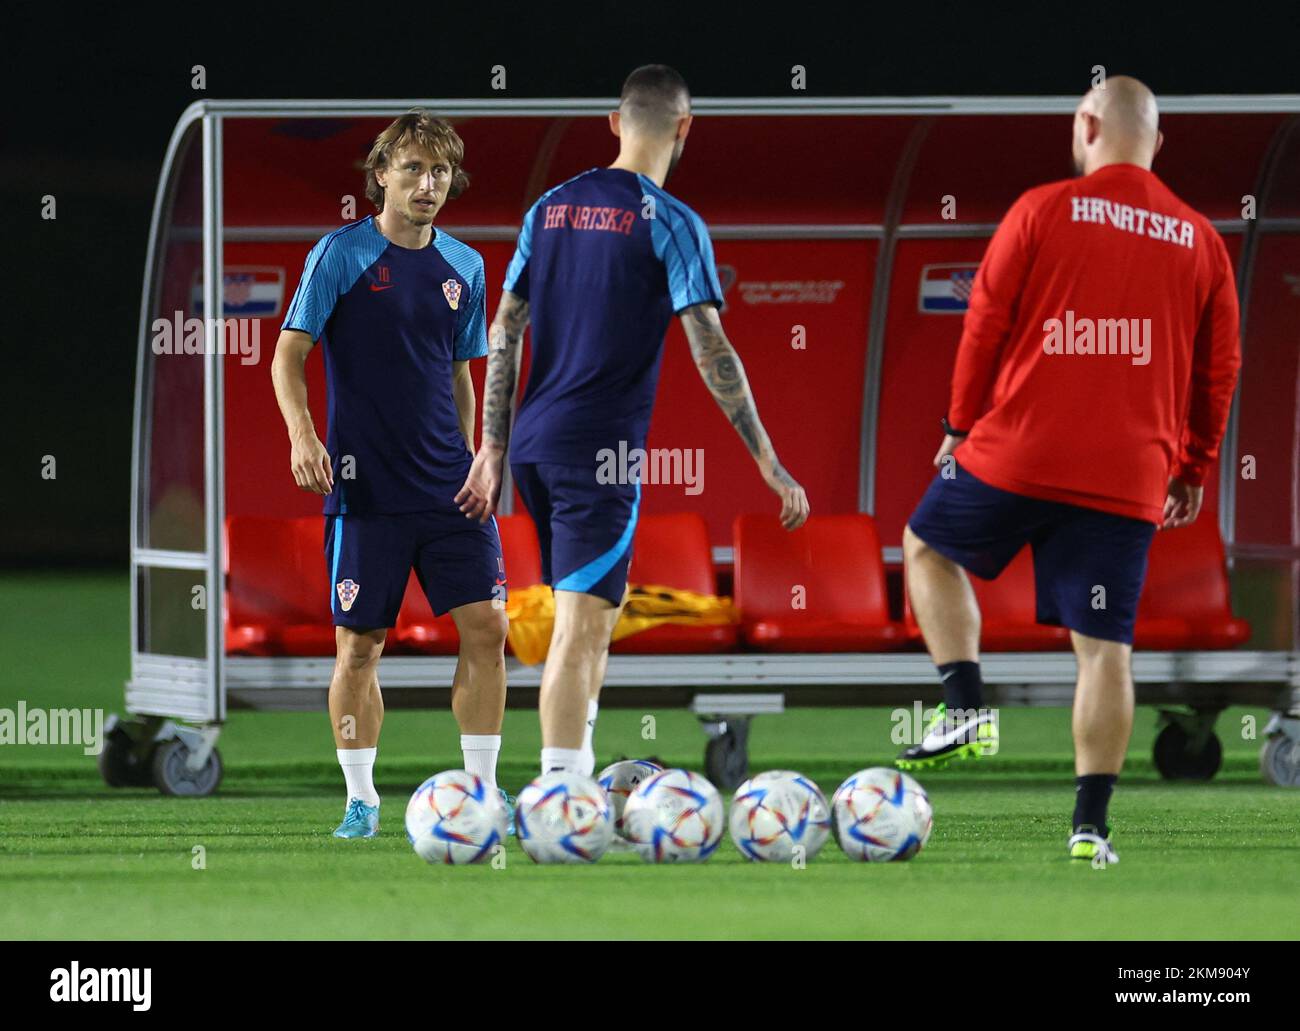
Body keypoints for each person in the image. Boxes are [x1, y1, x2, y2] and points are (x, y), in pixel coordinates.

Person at [896, 76, 1240, 864]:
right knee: (1104, 650)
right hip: (1128, 474)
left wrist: (958, 426)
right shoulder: (1201, 239)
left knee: (926, 546)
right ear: (1158, 143)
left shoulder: (1042, 208)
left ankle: (965, 707)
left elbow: (983, 324)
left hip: (1017, 451)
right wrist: (1192, 468)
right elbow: (1218, 371)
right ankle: (1089, 828)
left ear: (1087, 124)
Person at [456, 64, 809, 777]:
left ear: (614, 123)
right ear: (684, 129)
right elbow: (712, 347)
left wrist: (491, 446)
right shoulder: (670, 221)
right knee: (581, 632)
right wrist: (768, 460)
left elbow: (504, 328)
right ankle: (560, 797)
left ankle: (576, 770)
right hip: (598, 454)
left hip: (532, 445)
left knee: (594, 622)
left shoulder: (546, 209)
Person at [271, 111, 511, 839]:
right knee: (360, 646)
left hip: (450, 489)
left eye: (438, 172)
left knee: (488, 628)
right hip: (364, 489)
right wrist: (303, 437)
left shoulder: (465, 266)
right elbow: (287, 355)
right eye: (411, 169)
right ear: (381, 176)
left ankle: (481, 791)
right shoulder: (340, 254)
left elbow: (463, 372)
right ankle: (362, 799)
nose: (426, 184)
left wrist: (476, 457)